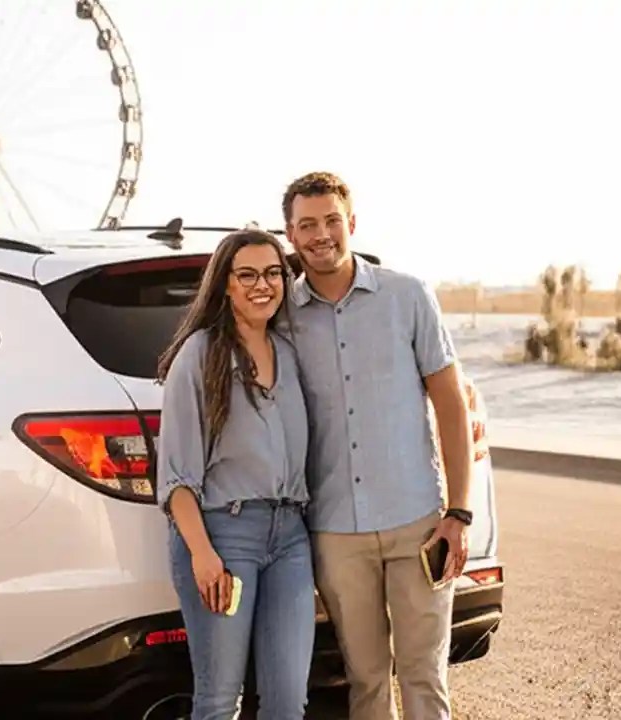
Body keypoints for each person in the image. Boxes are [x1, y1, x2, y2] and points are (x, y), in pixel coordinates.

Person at [281, 171, 475, 720]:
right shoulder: (282, 317)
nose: (322, 235)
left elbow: (451, 402)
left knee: (424, 676)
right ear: (290, 235)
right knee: (365, 681)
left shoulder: (407, 295)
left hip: (417, 520)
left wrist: (458, 512)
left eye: (331, 221)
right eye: (307, 225)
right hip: (336, 530)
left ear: (352, 223)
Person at [155, 228, 317, 719]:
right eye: (246, 275)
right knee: (221, 699)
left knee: (289, 700)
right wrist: (204, 556)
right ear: (224, 284)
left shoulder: (289, 353)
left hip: (290, 538)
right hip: (223, 537)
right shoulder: (200, 355)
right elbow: (176, 476)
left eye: (273, 273)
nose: (262, 284)